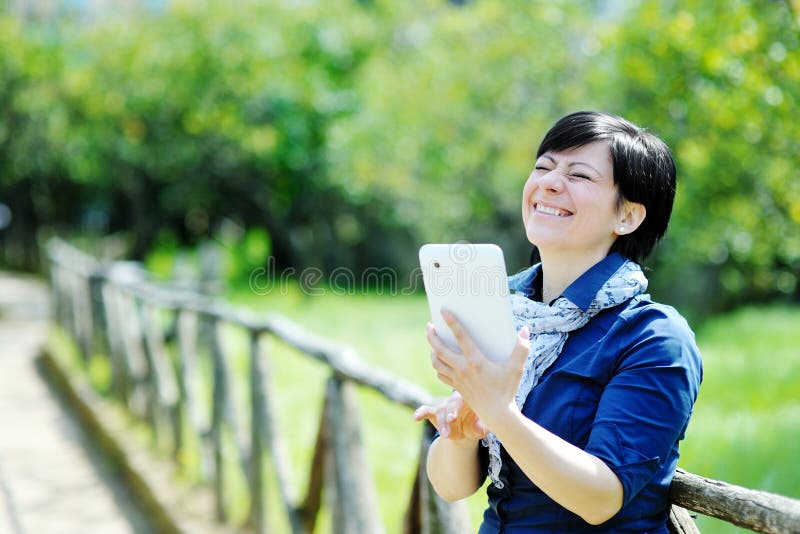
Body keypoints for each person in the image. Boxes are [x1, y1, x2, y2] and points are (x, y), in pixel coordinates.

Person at [413, 111, 703, 533]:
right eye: (543, 167)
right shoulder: (506, 317)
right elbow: (453, 486)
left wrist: (501, 412)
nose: (548, 182)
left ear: (627, 217)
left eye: (580, 176)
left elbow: (602, 498)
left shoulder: (654, 338)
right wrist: (460, 435)